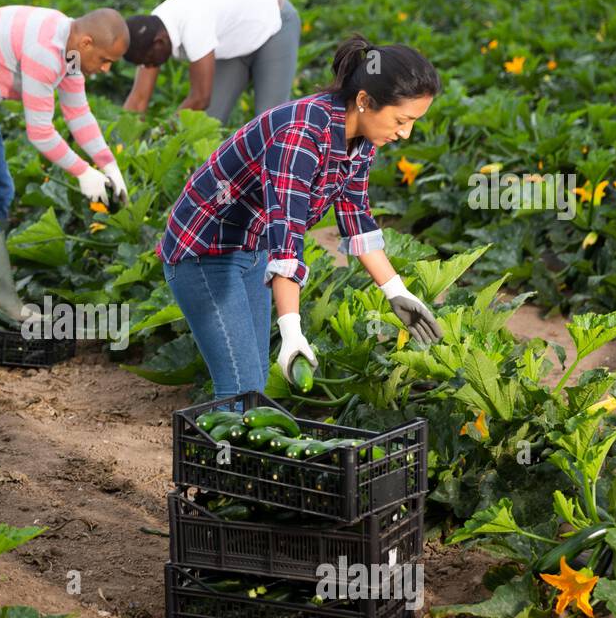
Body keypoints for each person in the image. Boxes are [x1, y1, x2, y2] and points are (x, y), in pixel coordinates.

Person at [157, 34, 445, 400]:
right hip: (204, 250)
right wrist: (292, 331)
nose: (406, 133)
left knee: (254, 379)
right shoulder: (302, 135)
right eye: (402, 119)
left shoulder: (360, 141)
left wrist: (397, 292)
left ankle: (235, 450)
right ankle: (222, 456)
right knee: (240, 388)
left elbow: (356, 219)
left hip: (251, 246)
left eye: (414, 121)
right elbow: (287, 235)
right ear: (363, 101)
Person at [0, 6, 130, 321]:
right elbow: (40, 133)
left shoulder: (69, 51)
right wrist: (83, 172)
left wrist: (108, 166)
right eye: (105, 60)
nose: (107, 69)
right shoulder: (46, 51)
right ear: (86, 43)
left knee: (1, 189)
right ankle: (4, 302)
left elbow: (77, 113)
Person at [122, 0, 301, 124]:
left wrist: (162, 133)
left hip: (274, 23)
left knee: (270, 121)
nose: (148, 66)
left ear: (159, 42)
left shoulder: (193, 25)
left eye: (148, 61)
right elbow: (138, 99)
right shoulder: (148, 31)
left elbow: (200, 98)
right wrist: (119, 144)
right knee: (209, 120)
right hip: (234, 41)